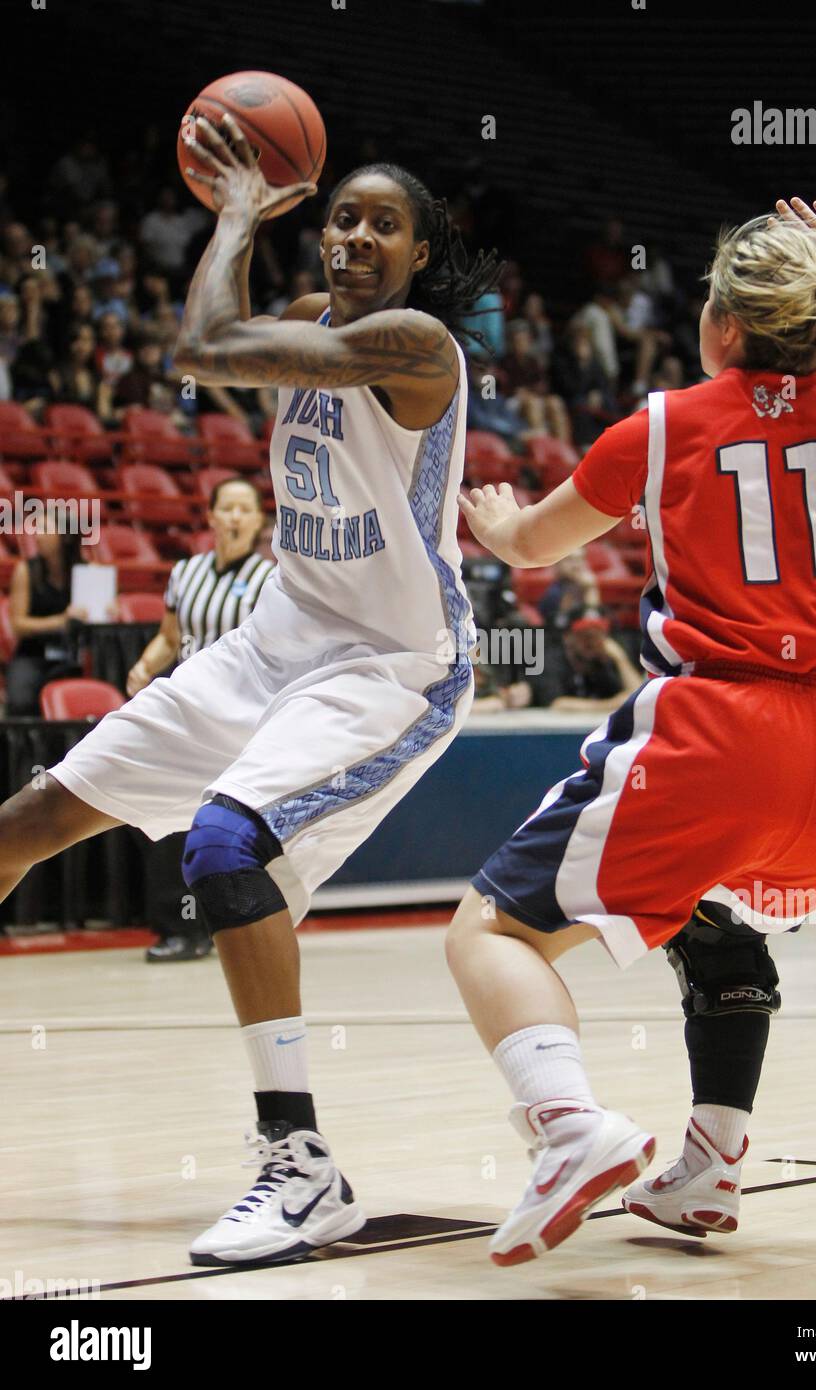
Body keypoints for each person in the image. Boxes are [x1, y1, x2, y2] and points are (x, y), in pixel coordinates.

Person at [0, 113, 501, 1268]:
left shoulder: (417, 343)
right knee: (29, 820)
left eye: (384, 224)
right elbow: (220, 344)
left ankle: (300, 1166)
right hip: (275, 640)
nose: (355, 238)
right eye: (340, 218)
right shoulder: (302, 328)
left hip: (390, 663)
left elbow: (203, 347)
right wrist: (243, 228)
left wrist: (234, 214)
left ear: (420, 254)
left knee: (223, 847)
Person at [447, 197, 816, 1265]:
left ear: (716, 325)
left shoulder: (659, 424)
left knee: (488, 931)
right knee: (716, 925)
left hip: (723, 732)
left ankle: (567, 1129)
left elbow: (534, 542)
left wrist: (491, 522)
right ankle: (709, 1166)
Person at [126, 477, 275, 962]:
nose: (234, 517)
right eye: (226, 508)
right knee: (167, 811)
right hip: (187, 704)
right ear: (209, 516)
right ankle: (176, 928)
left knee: (220, 818)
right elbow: (171, 637)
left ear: (258, 521)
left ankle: (224, 925)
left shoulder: (269, 579)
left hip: (240, 713)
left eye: (244, 509)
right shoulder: (185, 572)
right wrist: (145, 667)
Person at [5, 528, 87, 715]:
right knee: (21, 701)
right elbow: (18, 625)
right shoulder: (26, 571)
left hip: (73, 654)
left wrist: (107, 610)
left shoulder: (86, 570)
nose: (38, 536)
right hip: (33, 653)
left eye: (45, 529)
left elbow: (97, 619)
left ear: (65, 536)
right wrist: (61, 621)